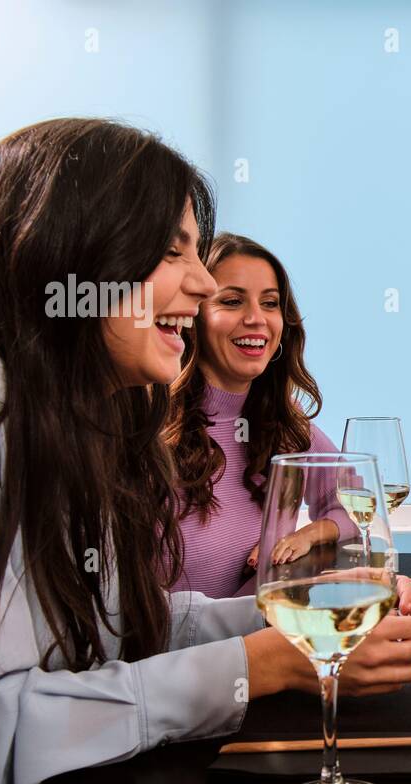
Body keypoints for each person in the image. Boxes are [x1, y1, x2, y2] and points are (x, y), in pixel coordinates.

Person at [0, 119, 411, 784]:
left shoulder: (70, 415)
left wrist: (307, 611)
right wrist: (265, 663)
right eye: (172, 249)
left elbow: (122, 625)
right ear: (71, 250)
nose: (203, 282)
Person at [165, 232, 351, 598]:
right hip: (178, 653)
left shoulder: (286, 424)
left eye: (270, 303)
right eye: (232, 301)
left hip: (266, 643)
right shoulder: (150, 431)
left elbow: (356, 504)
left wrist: (308, 535)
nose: (256, 319)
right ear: (193, 316)